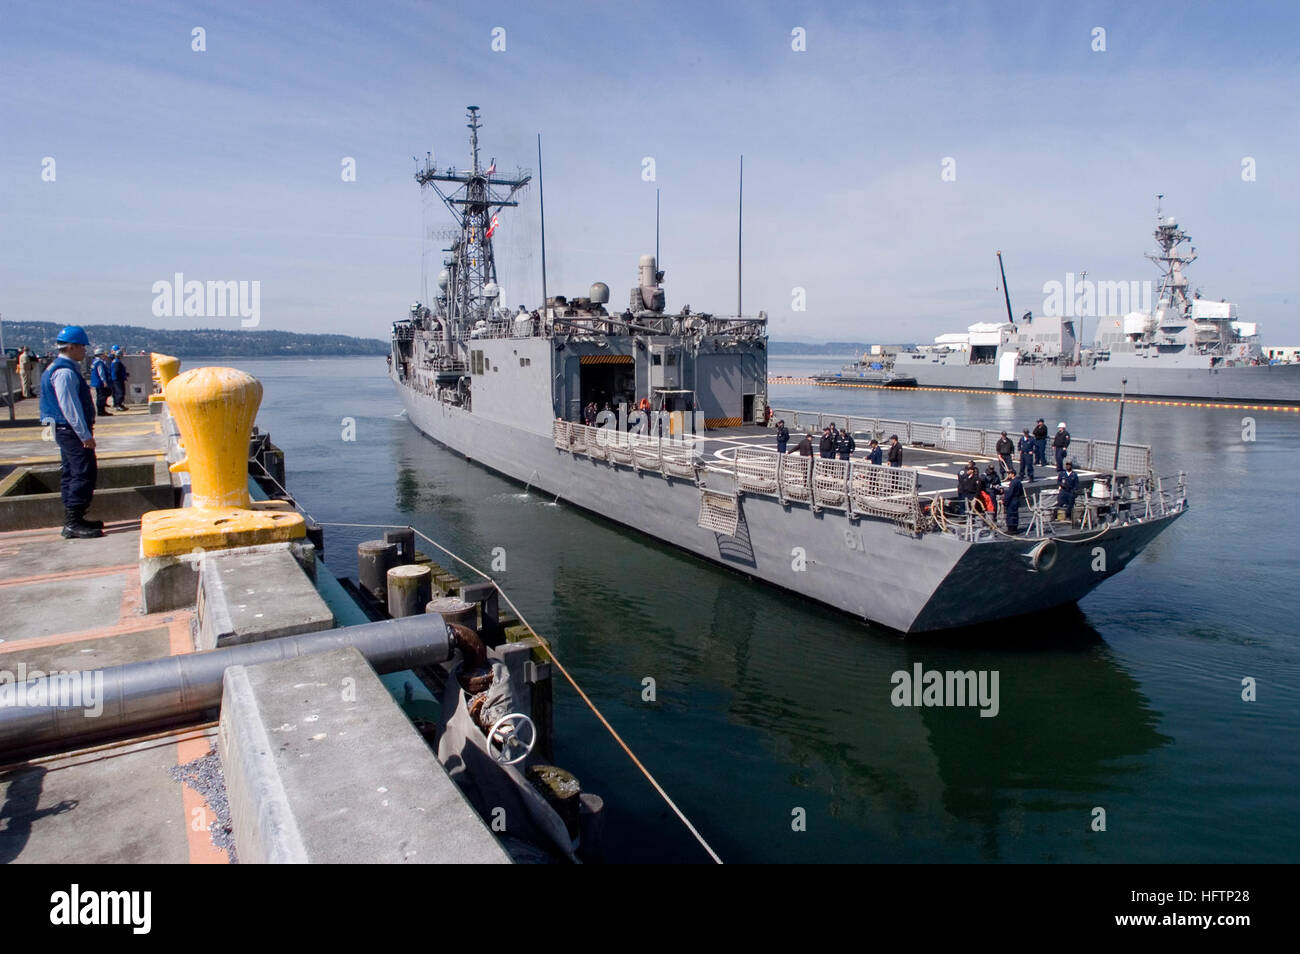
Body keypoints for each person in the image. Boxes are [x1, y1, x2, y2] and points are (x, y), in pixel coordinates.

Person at [39, 326, 102, 538]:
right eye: (82, 347)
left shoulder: (54, 368)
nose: (84, 351)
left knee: (70, 471)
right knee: (83, 471)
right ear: (72, 347)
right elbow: (70, 407)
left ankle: (73, 518)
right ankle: (73, 521)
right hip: (70, 430)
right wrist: (85, 435)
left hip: (63, 429)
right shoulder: (65, 372)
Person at [90, 347, 112, 416]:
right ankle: (101, 411)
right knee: (102, 396)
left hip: (96, 382)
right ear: (100, 355)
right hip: (100, 382)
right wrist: (104, 381)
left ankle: (100, 410)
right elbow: (101, 373)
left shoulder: (94, 362)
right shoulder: (99, 362)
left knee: (99, 396)